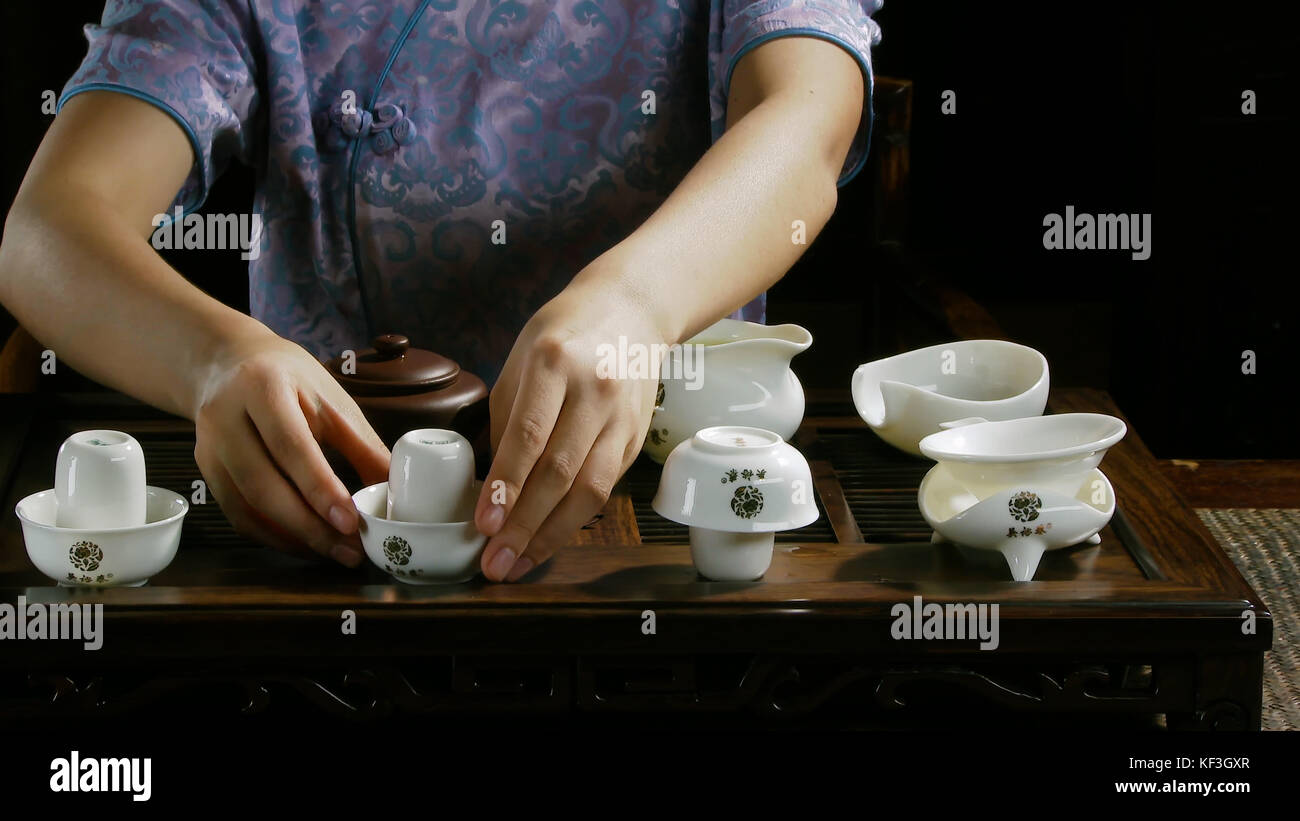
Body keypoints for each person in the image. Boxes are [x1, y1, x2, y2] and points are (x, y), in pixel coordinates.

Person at [0, 0, 881, 581]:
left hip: (657, 522)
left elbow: (805, 122)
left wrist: (635, 307)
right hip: (337, 524)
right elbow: (48, 230)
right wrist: (211, 360)